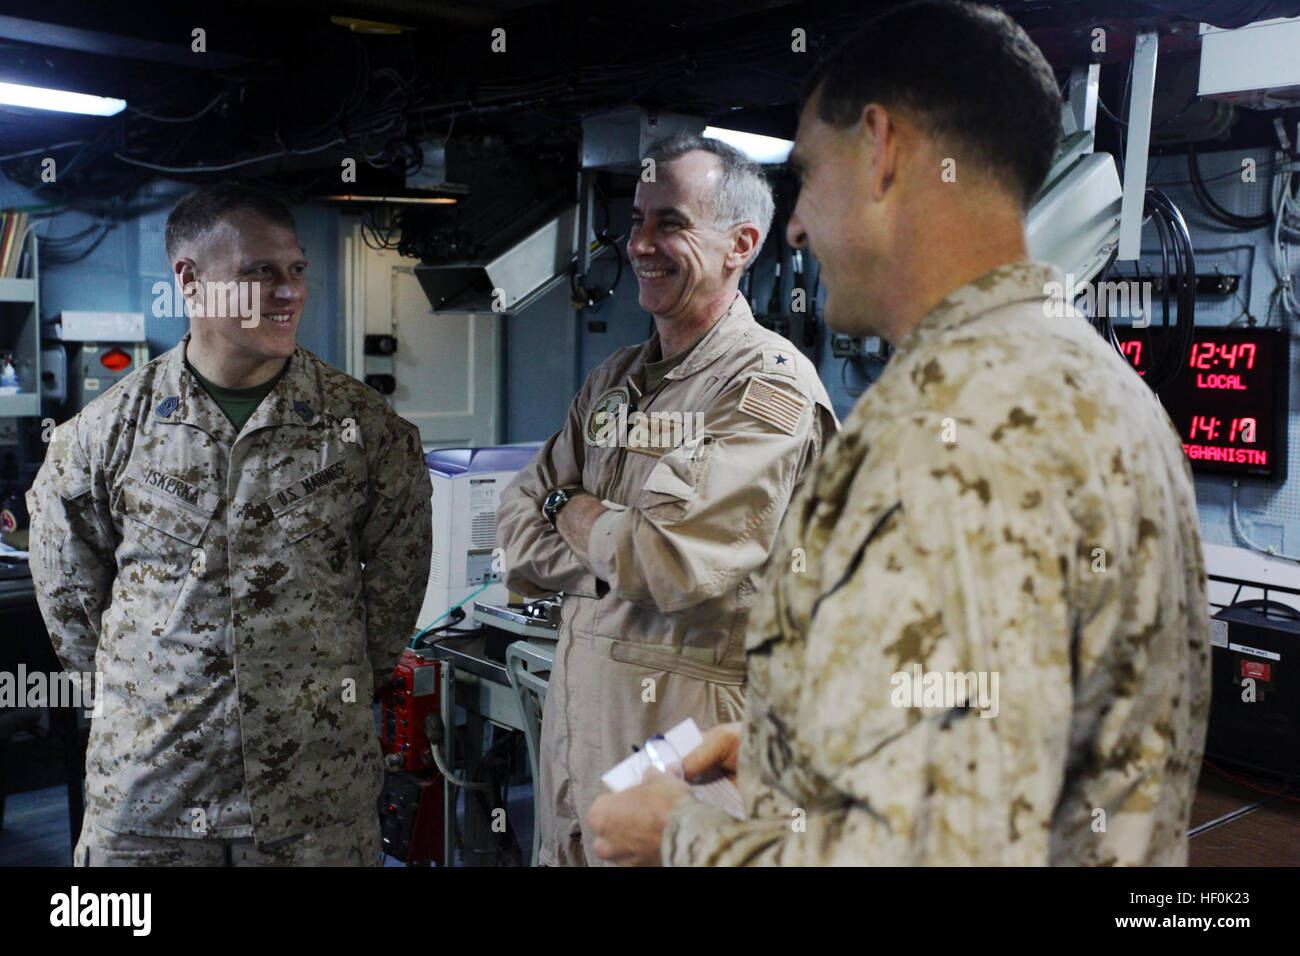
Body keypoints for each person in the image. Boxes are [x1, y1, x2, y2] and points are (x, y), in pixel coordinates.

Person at [587, 0, 1210, 866]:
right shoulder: (1094, 383)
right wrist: (785, 762)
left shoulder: (949, 433)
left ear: (880, 149)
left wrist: (681, 836)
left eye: (808, 175)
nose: (796, 226)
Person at [27, 184, 432, 866]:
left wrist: (314, 687)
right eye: (259, 273)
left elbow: (395, 589)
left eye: (297, 270)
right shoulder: (101, 435)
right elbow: (70, 603)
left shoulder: (364, 429)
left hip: (314, 802)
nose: (288, 292)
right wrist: (156, 691)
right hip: (152, 799)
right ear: (188, 278)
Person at [497, 132, 838, 866]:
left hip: (688, 734)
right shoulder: (613, 380)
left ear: (741, 244)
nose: (640, 244)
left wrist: (569, 509)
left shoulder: (765, 388)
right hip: (580, 724)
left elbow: (667, 565)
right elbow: (514, 536)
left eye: (671, 223)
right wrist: (607, 547)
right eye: (637, 220)